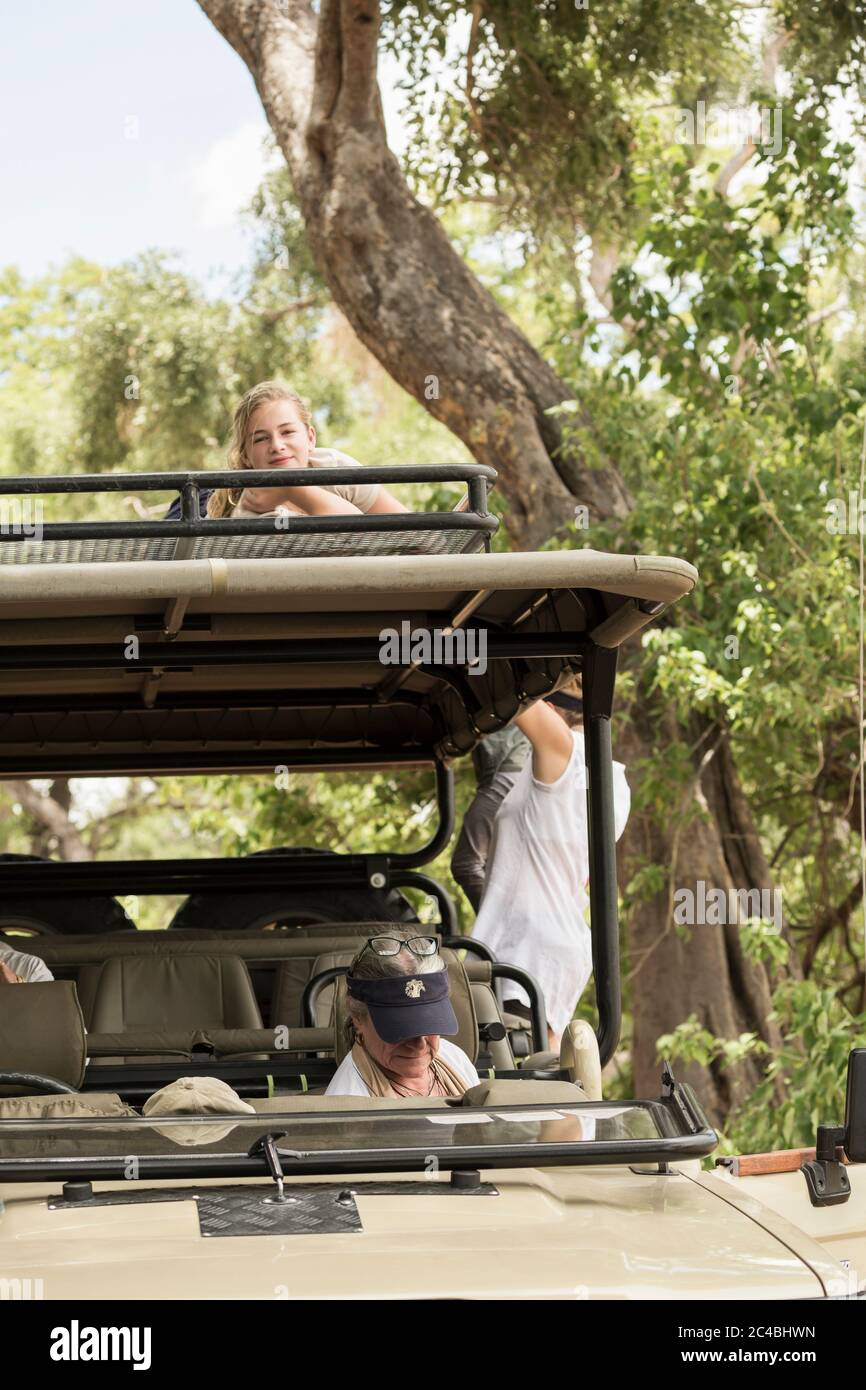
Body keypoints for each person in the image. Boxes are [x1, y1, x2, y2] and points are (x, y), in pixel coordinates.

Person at [471, 681, 630, 1053]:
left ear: (555, 712)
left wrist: (458, 638)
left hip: (528, 948)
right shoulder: (610, 779)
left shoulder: (565, 756)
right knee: (541, 1067)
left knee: (518, 1077)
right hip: (547, 944)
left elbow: (510, 689)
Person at [163, 380, 409, 521]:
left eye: (288, 432)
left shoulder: (333, 466)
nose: (277, 445)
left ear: (310, 437)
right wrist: (292, 490)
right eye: (260, 439)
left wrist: (293, 488)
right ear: (246, 456)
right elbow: (356, 539)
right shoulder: (249, 506)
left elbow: (417, 533)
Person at [326, 928, 480, 1098]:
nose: (420, 1044)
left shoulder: (454, 1058)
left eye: (429, 1023)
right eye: (402, 1029)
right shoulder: (349, 1101)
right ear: (358, 1017)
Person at [450, 724, 530, 913]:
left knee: (466, 864)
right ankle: (504, 928)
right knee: (496, 865)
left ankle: (501, 931)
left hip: (508, 772)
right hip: (507, 770)